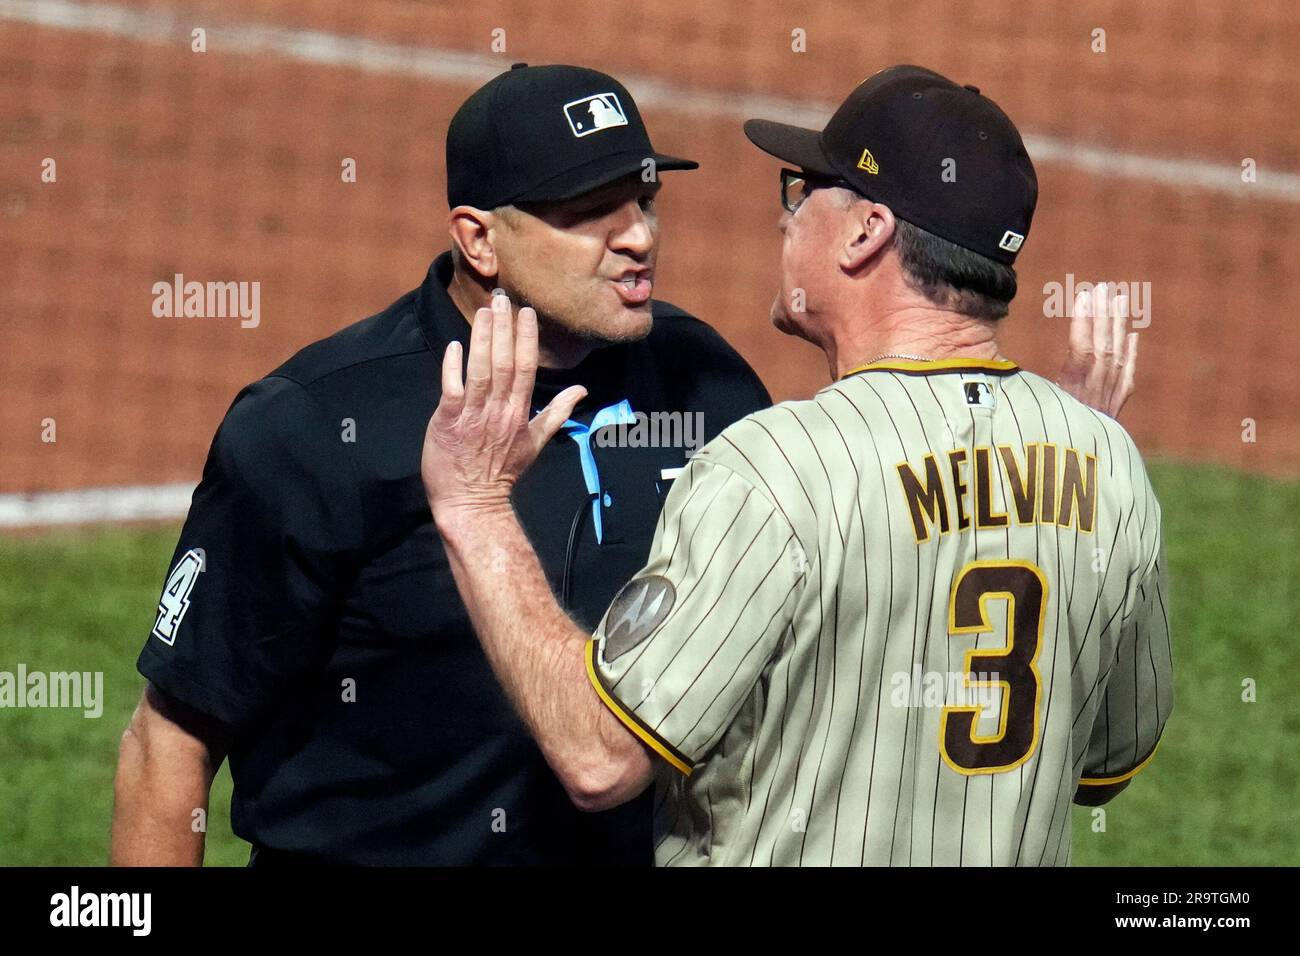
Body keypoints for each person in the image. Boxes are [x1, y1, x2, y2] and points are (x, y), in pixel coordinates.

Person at [420, 65, 1169, 866]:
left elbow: (601, 758)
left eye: (802, 190)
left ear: (866, 232)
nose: (786, 221)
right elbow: (1107, 759)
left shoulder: (769, 470)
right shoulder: (1108, 464)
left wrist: (476, 508)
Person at [109, 64, 771, 866]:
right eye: (590, 212)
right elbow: (167, 746)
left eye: (644, 199)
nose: (637, 235)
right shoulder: (319, 426)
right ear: (479, 239)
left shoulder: (709, 383)